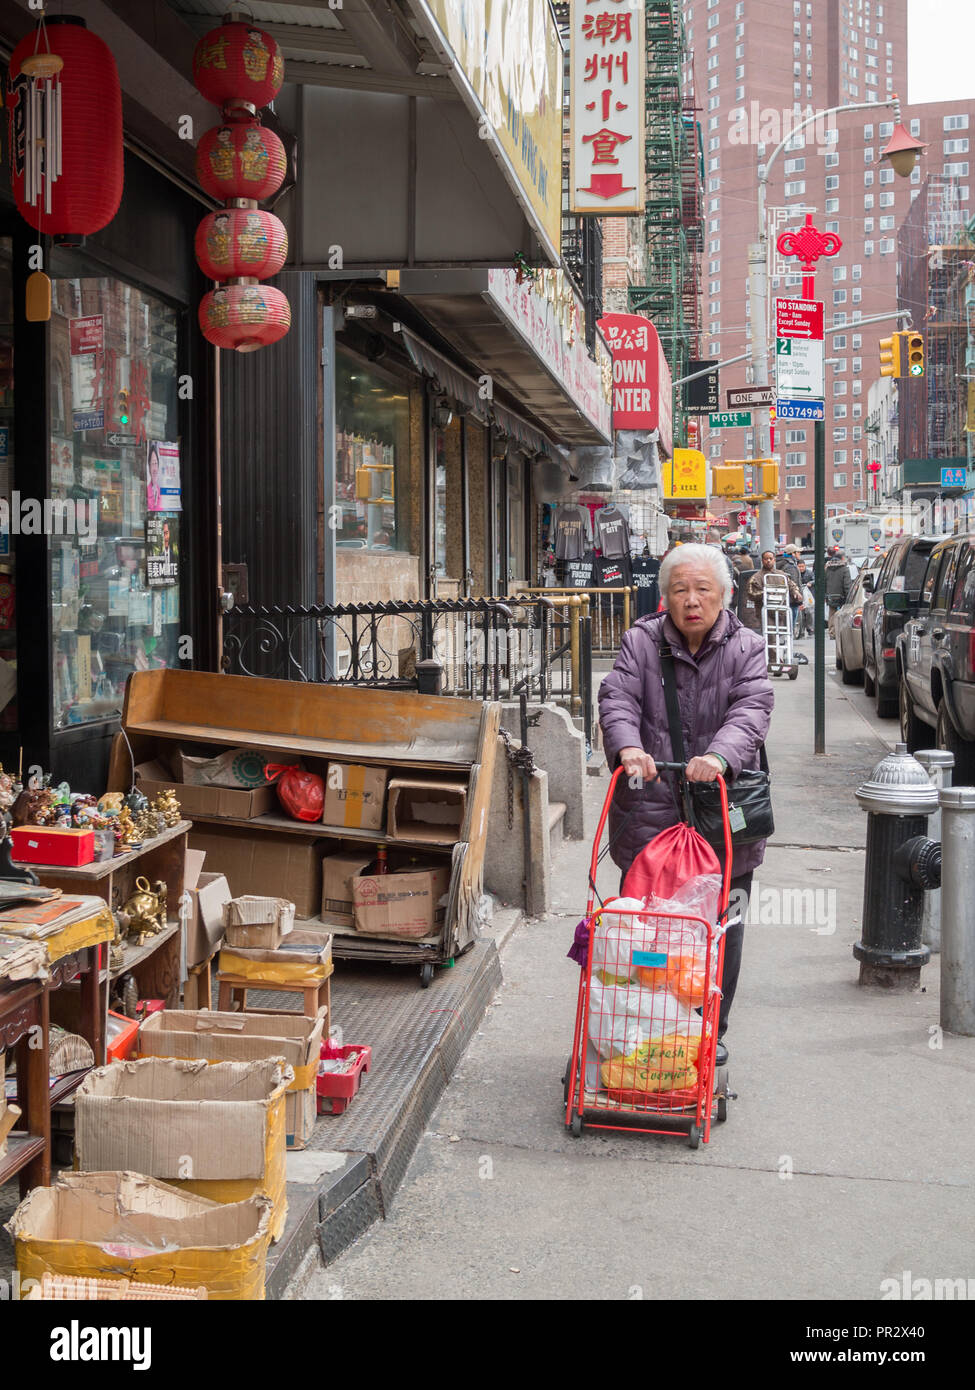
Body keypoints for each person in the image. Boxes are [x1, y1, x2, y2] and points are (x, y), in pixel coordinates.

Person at [598, 543, 775, 1065]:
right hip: (649, 807)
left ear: (724, 594)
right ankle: (646, 1025)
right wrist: (628, 748)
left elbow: (752, 709)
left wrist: (720, 757)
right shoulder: (640, 642)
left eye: (702, 589)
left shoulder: (747, 647)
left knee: (722, 923)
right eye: (680, 590)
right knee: (646, 923)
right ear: (665, 597)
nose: (691, 600)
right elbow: (618, 698)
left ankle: (708, 1030)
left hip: (722, 811)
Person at [825, 546, 852, 637]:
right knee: (843, 614)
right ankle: (841, 632)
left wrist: (826, 594)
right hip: (842, 596)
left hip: (830, 595)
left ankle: (832, 632)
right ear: (842, 558)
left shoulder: (827, 568)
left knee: (832, 614)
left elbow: (825, 582)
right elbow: (847, 584)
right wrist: (849, 596)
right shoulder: (844, 569)